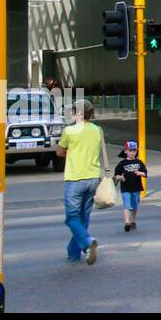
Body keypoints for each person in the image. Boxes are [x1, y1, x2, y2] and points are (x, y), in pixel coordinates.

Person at [56, 100, 106, 265]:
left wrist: (71, 151)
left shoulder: (69, 131)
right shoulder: (98, 130)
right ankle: (74, 253)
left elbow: (59, 151)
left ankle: (86, 242)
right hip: (93, 179)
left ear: (77, 113)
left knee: (71, 218)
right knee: (83, 217)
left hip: (75, 178)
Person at [114, 140, 147, 232]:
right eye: (130, 150)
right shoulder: (122, 163)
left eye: (134, 151)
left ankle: (133, 220)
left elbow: (145, 173)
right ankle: (127, 222)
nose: (132, 153)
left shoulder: (139, 162)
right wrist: (120, 177)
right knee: (127, 204)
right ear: (126, 151)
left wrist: (141, 173)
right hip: (126, 187)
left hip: (136, 187)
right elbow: (116, 174)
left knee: (134, 205)